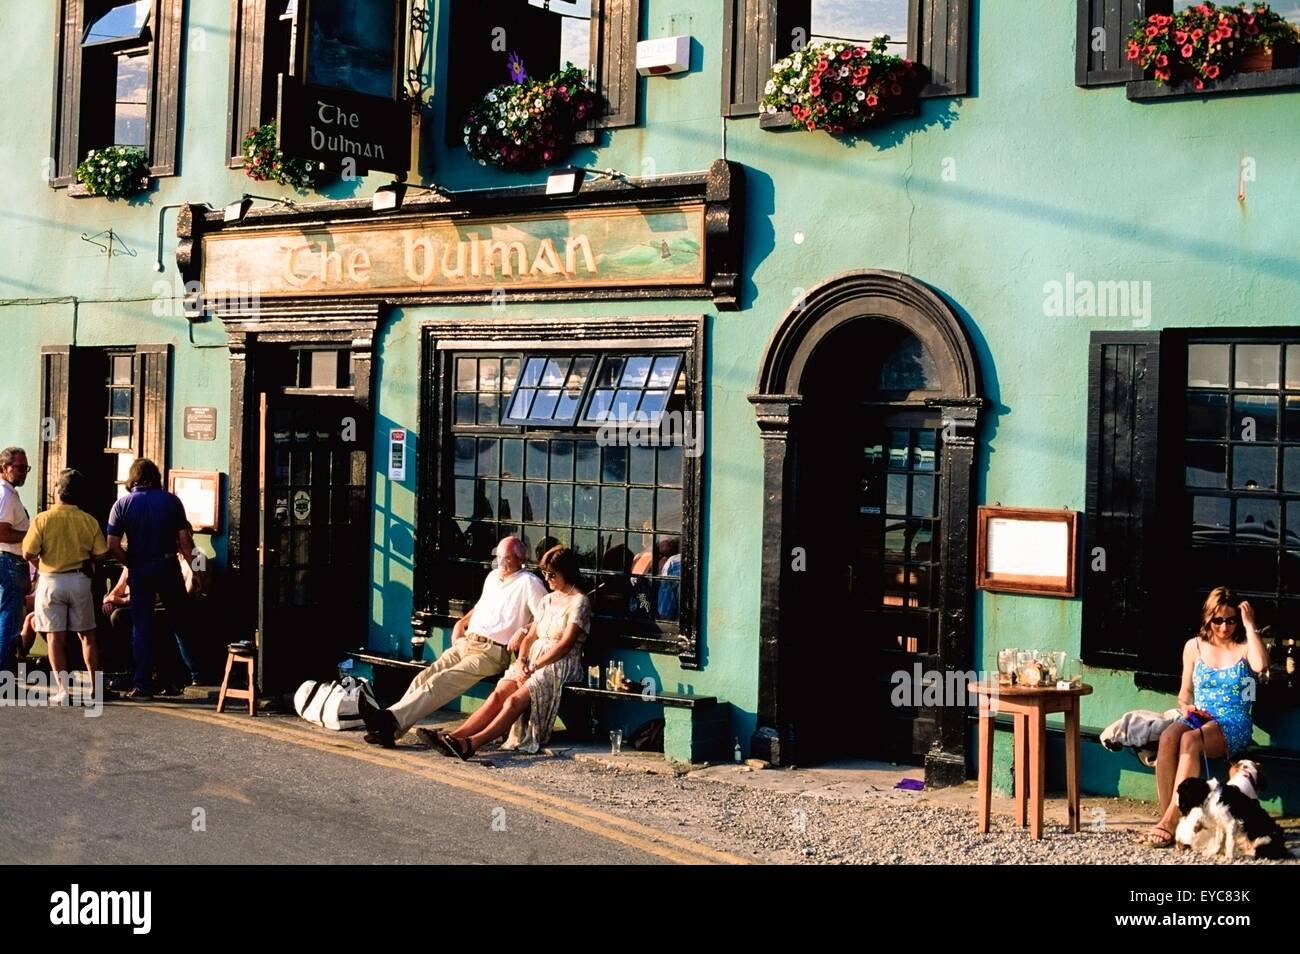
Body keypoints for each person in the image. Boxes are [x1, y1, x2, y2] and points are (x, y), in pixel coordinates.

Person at [358, 535, 546, 748]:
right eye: (499, 557)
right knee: (425, 676)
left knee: (441, 681)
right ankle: (390, 729)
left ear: (520, 559)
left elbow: (545, 616)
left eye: (507, 558)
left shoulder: (529, 583)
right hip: (468, 641)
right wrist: (461, 623)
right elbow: (482, 606)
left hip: (491, 651)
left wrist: (522, 630)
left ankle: (387, 721)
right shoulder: (493, 577)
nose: (501, 562)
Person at [1138, 586, 1269, 848]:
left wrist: (1250, 624)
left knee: (1190, 741)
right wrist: (1187, 709)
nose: (1223, 627)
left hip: (1231, 721)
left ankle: (1168, 822)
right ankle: (1174, 817)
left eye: (1231, 620)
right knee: (1167, 737)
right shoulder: (1194, 647)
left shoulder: (1244, 647)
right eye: (1217, 620)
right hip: (1199, 717)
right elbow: (1184, 695)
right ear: (1208, 618)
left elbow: (1261, 665)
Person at [437, 545, 591, 759]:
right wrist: (521, 662)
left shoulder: (579, 602)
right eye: (544, 573)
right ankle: (454, 737)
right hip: (532, 661)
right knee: (498, 695)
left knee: (513, 701)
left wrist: (535, 666)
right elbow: (529, 637)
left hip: (559, 663)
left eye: (552, 574)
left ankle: (472, 744)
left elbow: (564, 645)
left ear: (566, 572)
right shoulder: (547, 599)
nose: (547, 579)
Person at [105, 459, 205, 699]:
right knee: (180, 623)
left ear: (133, 478)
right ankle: (189, 676)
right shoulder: (171, 501)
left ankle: (142, 684)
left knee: (141, 627)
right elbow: (185, 541)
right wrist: (197, 571)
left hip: (140, 567)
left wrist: (131, 562)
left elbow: (112, 544)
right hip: (168, 564)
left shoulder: (121, 505)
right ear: (156, 476)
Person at [21, 469, 110, 702]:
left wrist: (40, 564)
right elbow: (101, 554)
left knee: (54, 637)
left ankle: (63, 690)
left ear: (57, 490)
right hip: (79, 579)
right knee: (87, 635)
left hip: (50, 580)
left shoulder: (42, 519)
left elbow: (28, 551)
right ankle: (95, 687)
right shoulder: (88, 520)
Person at [101, 556, 200, 694]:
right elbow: (119, 587)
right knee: (115, 616)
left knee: (129, 617)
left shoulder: (179, 561)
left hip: (157, 605)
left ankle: (154, 676)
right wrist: (109, 599)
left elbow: (156, 595)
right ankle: (131, 672)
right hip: (136, 602)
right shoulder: (131, 562)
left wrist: (119, 600)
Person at [0, 446, 32, 674]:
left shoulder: (8, 493)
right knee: (9, 621)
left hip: (11, 561)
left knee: (9, 619)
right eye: (20, 468)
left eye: (26, 468)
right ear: (4, 468)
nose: (24, 473)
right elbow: (2, 532)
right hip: (10, 560)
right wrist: (31, 536)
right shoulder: (5, 496)